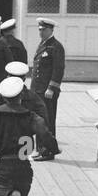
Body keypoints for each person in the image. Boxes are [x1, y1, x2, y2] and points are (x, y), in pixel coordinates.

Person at [32, 18, 65, 159]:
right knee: (39, 119)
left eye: (44, 30)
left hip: (47, 91)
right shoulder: (43, 44)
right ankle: (40, 148)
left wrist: (51, 87)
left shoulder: (56, 46)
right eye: (40, 30)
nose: (41, 33)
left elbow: (58, 69)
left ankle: (48, 151)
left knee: (48, 120)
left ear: (51, 30)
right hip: (38, 90)